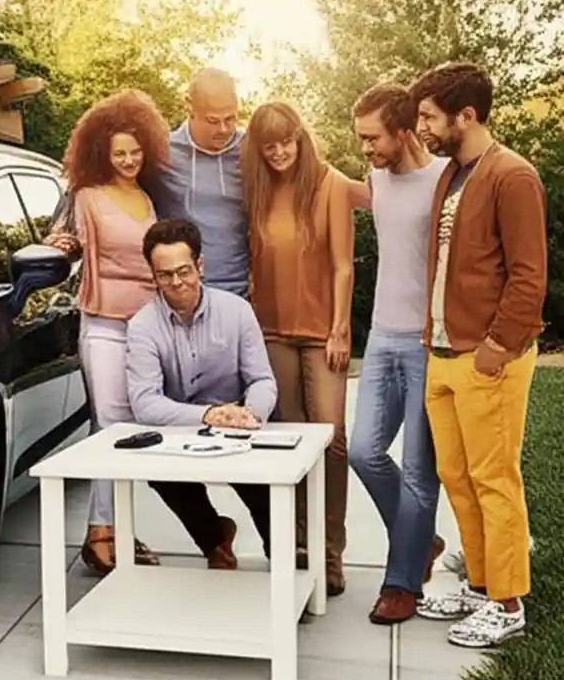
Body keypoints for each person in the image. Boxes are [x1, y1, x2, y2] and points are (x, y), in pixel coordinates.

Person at [407, 62, 547, 649]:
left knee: (494, 477)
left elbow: (528, 275)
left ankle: (508, 601)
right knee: (456, 476)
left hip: (487, 356)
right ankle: (483, 582)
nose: (422, 129)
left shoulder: (511, 176)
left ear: (467, 115)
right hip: (442, 350)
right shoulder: (453, 175)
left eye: (429, 117)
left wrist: (496, 347)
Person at [42, 90, 171, 574]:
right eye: (119, 152)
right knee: (110, 427)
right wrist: (61, 245)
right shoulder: (88, 196)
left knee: (132, 430)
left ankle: (115, 529)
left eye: (136, 151)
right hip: (103, 325)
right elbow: (68, 241)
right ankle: (101, 535)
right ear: (102, 152)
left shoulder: (145, 197)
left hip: (148, 328)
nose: (129, 160)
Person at [242, 101, 356, 596]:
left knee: (330, 439)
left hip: (321, 332)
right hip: (272, 332)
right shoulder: (257, 189)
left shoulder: (329, 182)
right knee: (287, 442)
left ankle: (332, 553)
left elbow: (342, 265)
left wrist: (340, 328)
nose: (281, 152)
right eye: (270, 146)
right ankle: (299, 548)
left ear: (300, 138)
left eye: (287, 141)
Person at [346, 82, 450, 624]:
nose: (366, 148)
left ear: (405, 131)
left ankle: (401, 582)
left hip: (428, 341)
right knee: (363, 450)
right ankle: (420, 542)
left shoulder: (444, 180)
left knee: (418, 470)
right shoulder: (376, 180)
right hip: (382, 336)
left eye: (372, 138)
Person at [125, 218, 277, 568]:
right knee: (163, 474)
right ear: (153, 275)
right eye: (164, 275)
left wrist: (250, 415)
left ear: (200, 266)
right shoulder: (142, 326)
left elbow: (262, 380)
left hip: (239, 426)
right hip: (181, 429)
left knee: (264, 486)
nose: (176, 282)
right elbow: (145, 402)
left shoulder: (237, 310)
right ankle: (214, 542)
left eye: (183, 271)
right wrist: (207, 415)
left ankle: (285, 563)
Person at [145, 67, 249, 298]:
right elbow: (103, 180)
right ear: (189, 107)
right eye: (213, 120)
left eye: (230, 119)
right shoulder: (162, 152)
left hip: (241, 294)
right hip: (181, 294)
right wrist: (65, 229)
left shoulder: (251, 149)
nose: (224, 129)